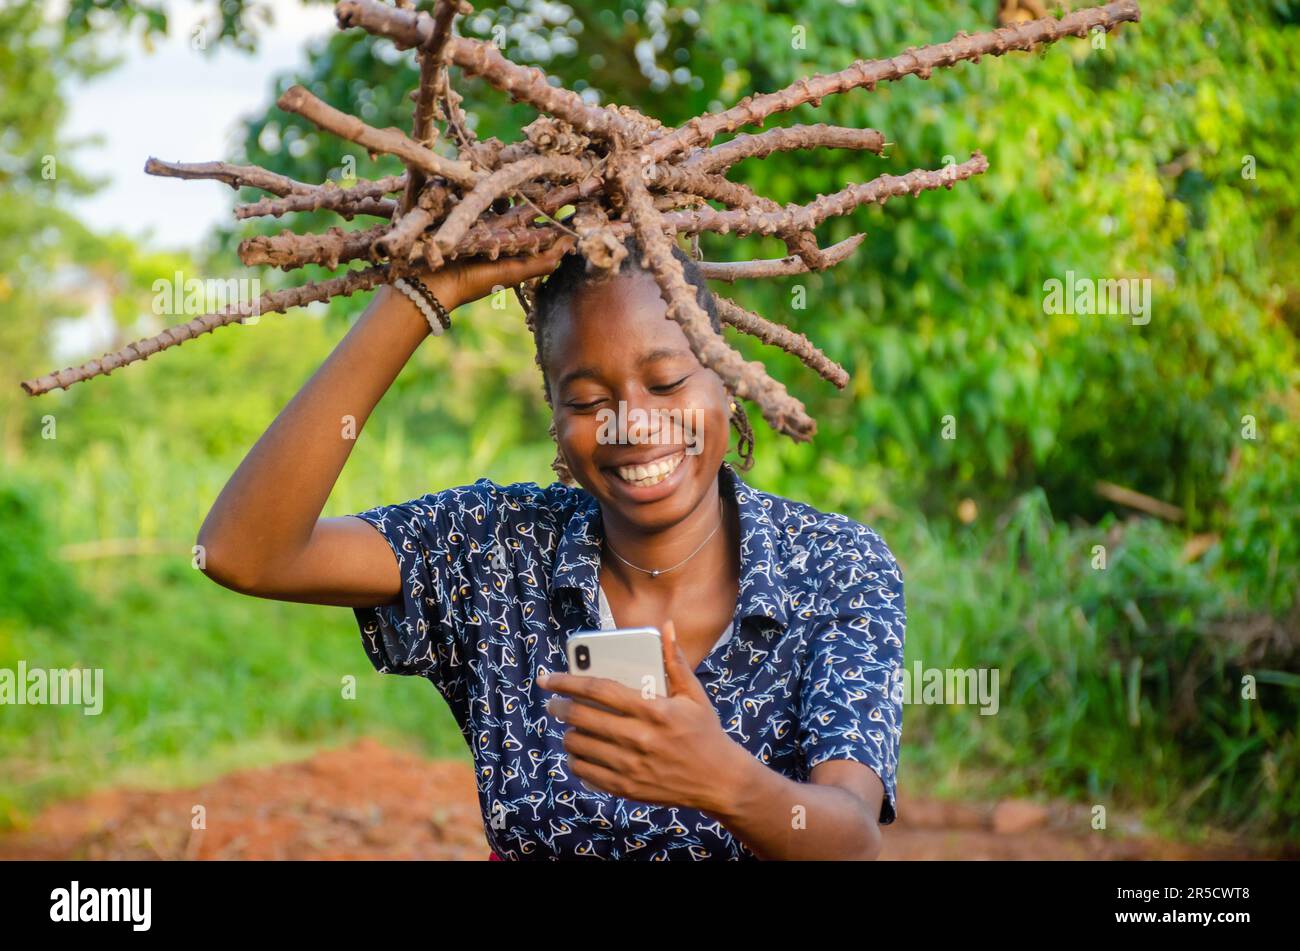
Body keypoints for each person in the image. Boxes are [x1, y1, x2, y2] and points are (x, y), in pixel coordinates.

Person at [196, 229, 905, 860]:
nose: (631, 423)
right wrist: (420, 296)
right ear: (556, 417)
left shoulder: (837, 567)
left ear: (726, 376)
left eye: (666, 382)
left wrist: (722, 779)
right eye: (589, 400)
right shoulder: (497, 553)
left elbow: (849, 832)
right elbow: (243, 550)